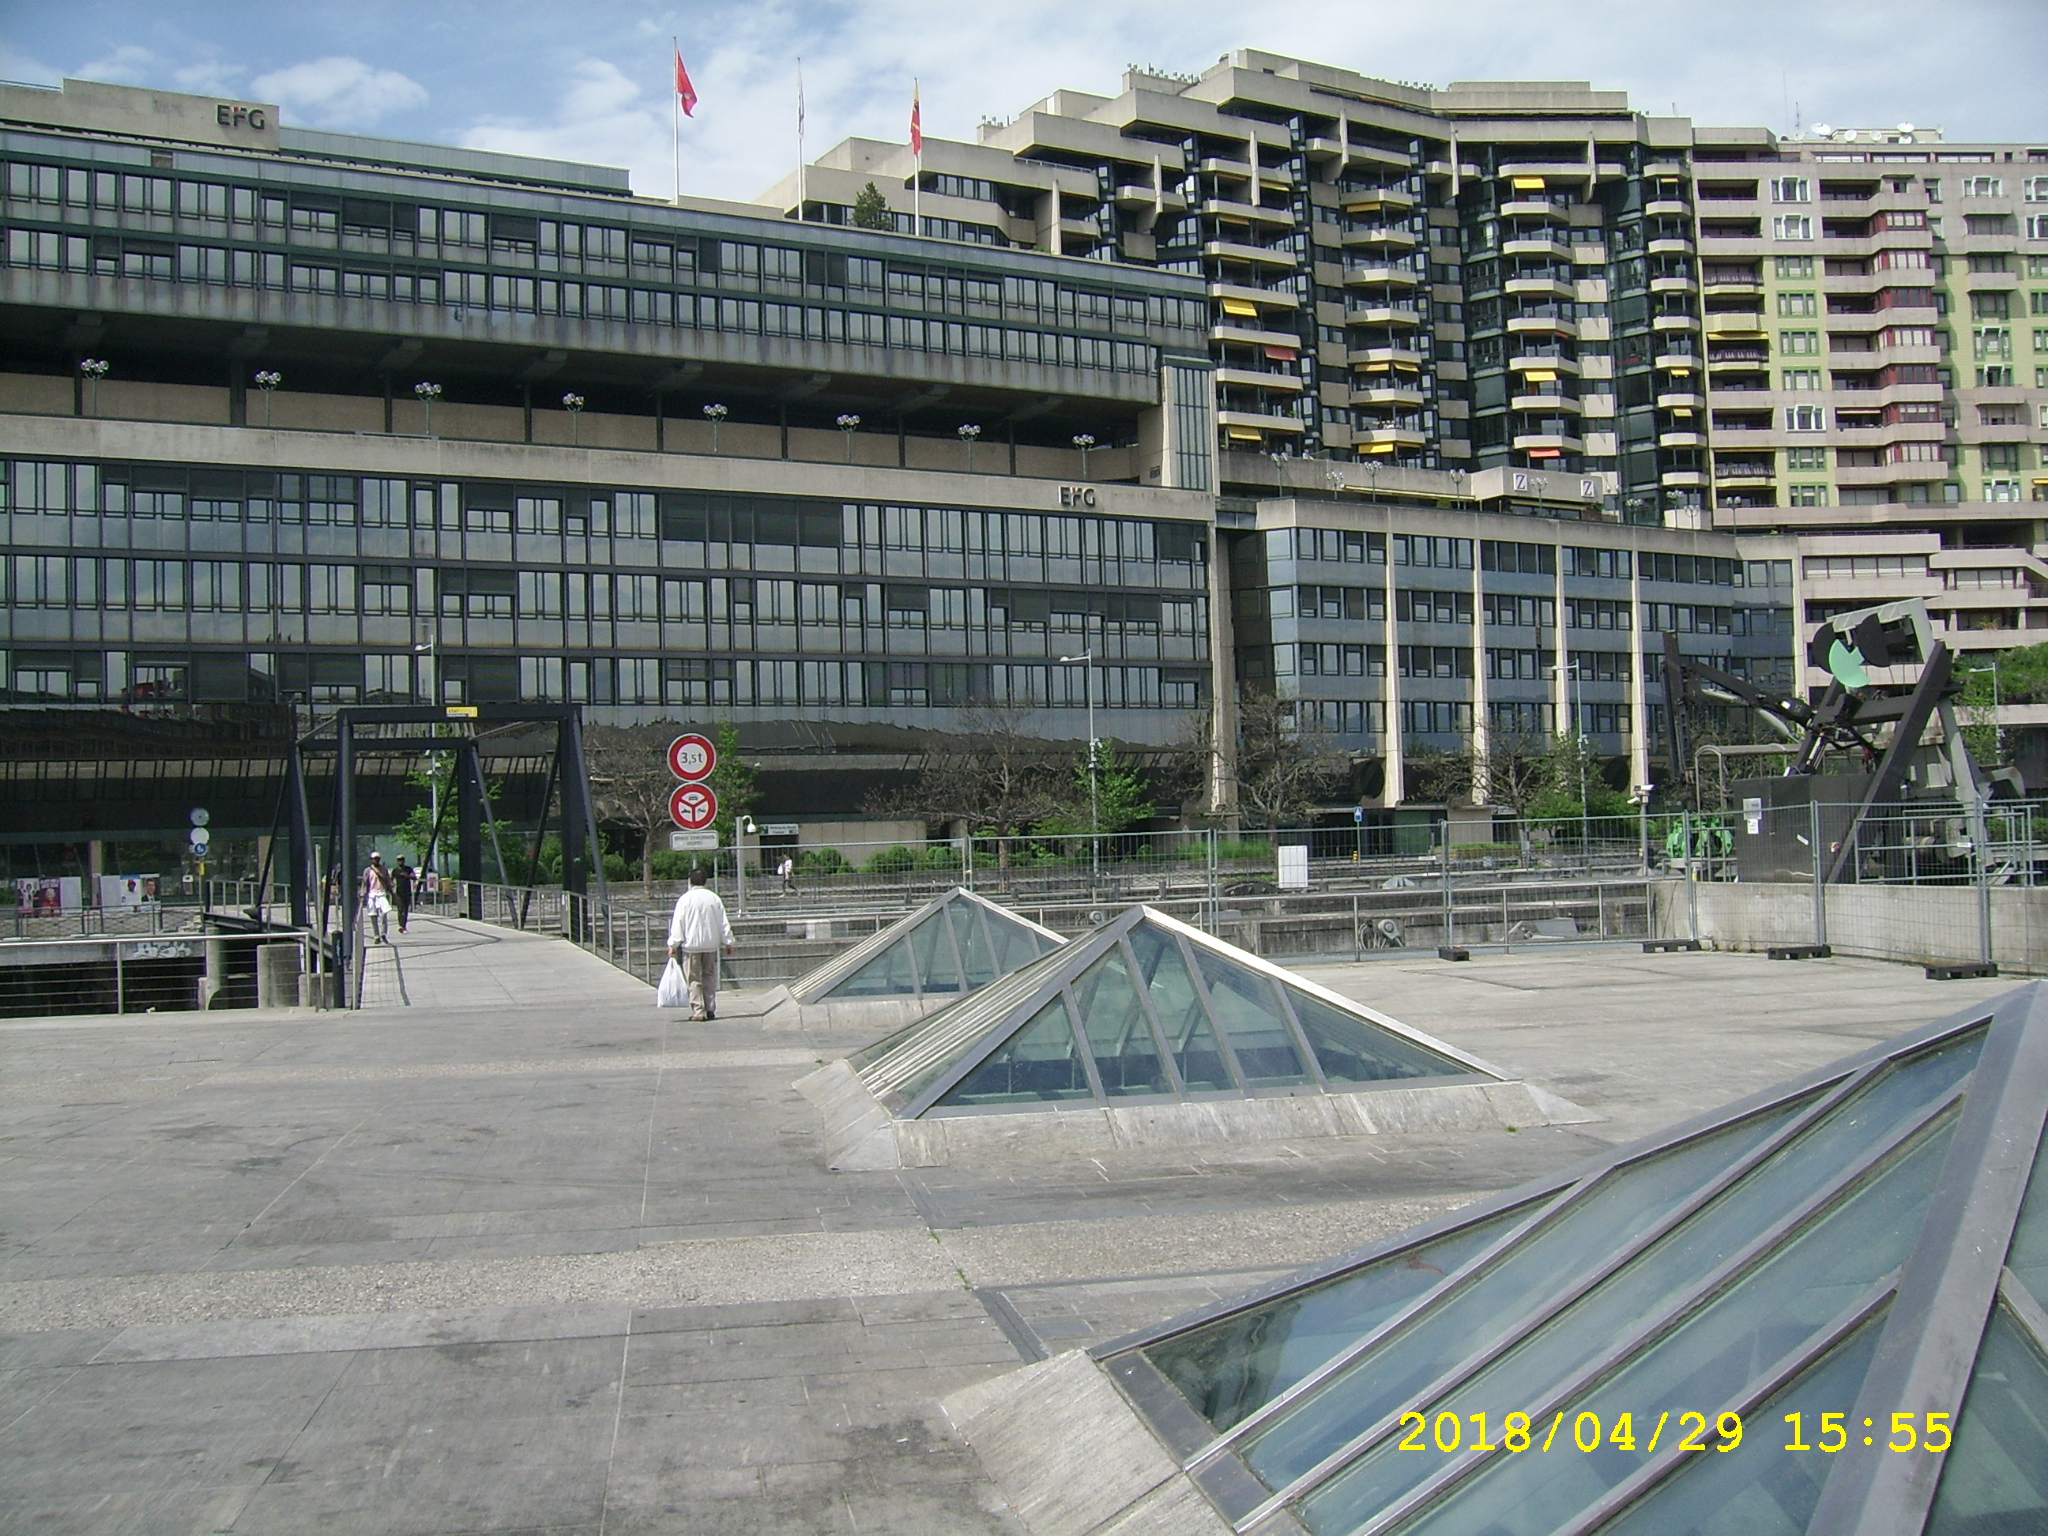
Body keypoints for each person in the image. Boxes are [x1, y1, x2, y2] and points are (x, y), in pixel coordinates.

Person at [666, 866, 735, 1020]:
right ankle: (710, 1007)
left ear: (690, 881)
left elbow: (678, 923)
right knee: (709, 976)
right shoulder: (713, 898)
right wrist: (728, 942)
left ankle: (698, 1010)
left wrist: (673, 945)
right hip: (710, 944)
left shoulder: (685, 899)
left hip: (691, 945)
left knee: (693, 978)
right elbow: (722, 922)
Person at [361, 851, 394, 944]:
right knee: (373, 916)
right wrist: (363, 893)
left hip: (382, 893)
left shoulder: (384, 870)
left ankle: (383, 934)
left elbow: (388, 880)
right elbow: (365, 883)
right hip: (372, 894)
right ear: (371, 860)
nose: (376, 860)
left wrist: (391, 891)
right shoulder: (368, 871)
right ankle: (376, 936)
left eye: (377, 858)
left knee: (384, 915)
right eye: (374, 859)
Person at [391, 856, 416, 934]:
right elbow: (390, 879)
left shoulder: (408, 869)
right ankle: (401, 925)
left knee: (405, 910)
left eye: (402, 860)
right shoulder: (395, 870)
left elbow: (414, 877)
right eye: (399, 860)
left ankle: (404, 925)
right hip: (398, 892)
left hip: (407, 892)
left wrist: (407, 876)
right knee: (400, 909)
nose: (400, 862)